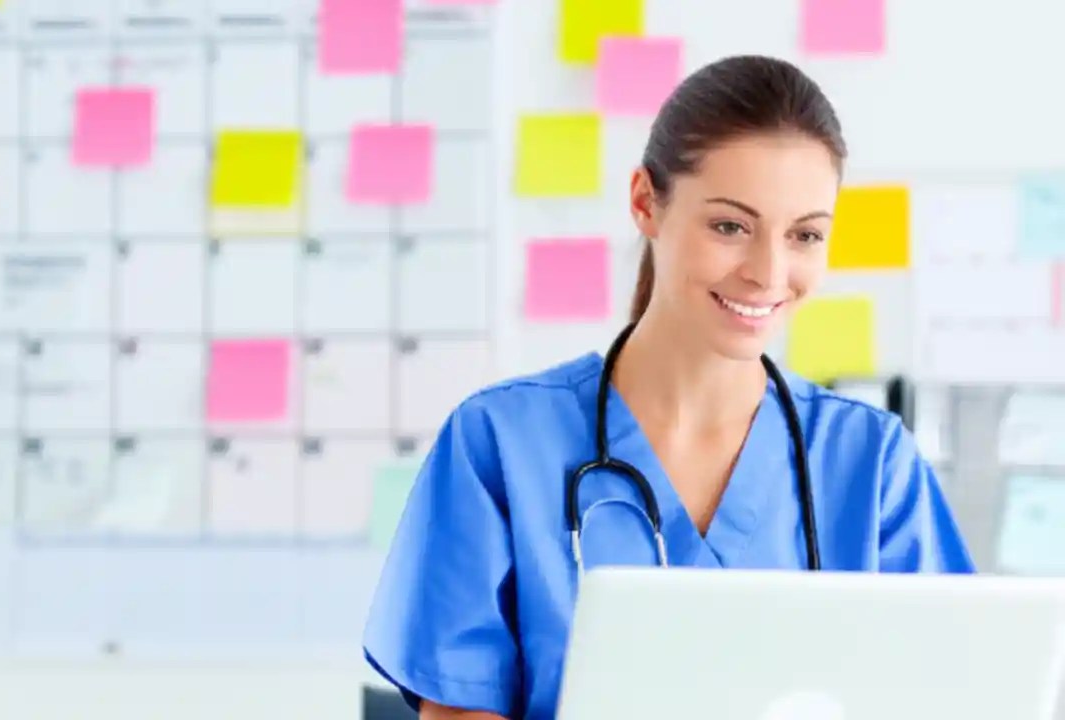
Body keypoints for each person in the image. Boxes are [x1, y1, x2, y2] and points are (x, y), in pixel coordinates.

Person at [361, 54, 975, 719]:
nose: (769, 273)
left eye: (804, 235)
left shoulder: (871, 464)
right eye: (731, 226)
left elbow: (949, 690)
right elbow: (460, 707)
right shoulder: (499, 445)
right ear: (645, 202)